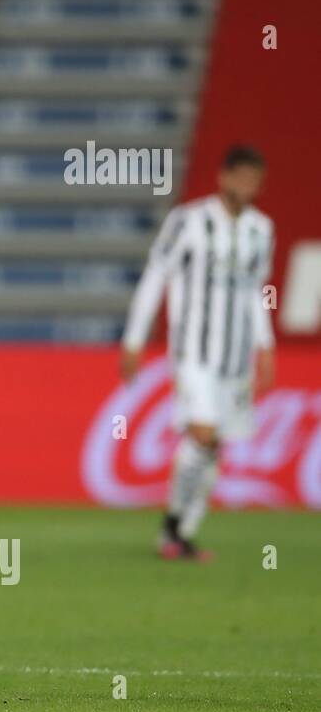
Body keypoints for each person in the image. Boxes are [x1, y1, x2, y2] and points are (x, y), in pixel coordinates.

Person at [121, 145, 275, 561]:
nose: (247, 187)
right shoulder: (188, 221)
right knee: (203, 432)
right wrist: (134, 337)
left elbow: (257, 291)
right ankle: (173, 527)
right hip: (193, 352)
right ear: (223, 178)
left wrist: (266, 345)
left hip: (235, 356)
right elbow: (156, 275)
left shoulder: (261, 229)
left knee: (215, 444)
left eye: (254, 181)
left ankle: (181, 531)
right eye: (240, 177)